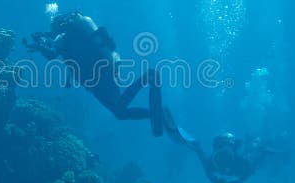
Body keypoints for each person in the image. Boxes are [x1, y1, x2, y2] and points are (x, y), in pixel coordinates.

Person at [24, 11, 196, 144]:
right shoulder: (76, 33)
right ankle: (157, 113)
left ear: (58, 27)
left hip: (98, 77)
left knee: (120, 110)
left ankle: (149, 79)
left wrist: (40, 47)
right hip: (106, 69)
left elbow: (52, 55)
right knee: (120, 111)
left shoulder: (63, 37)